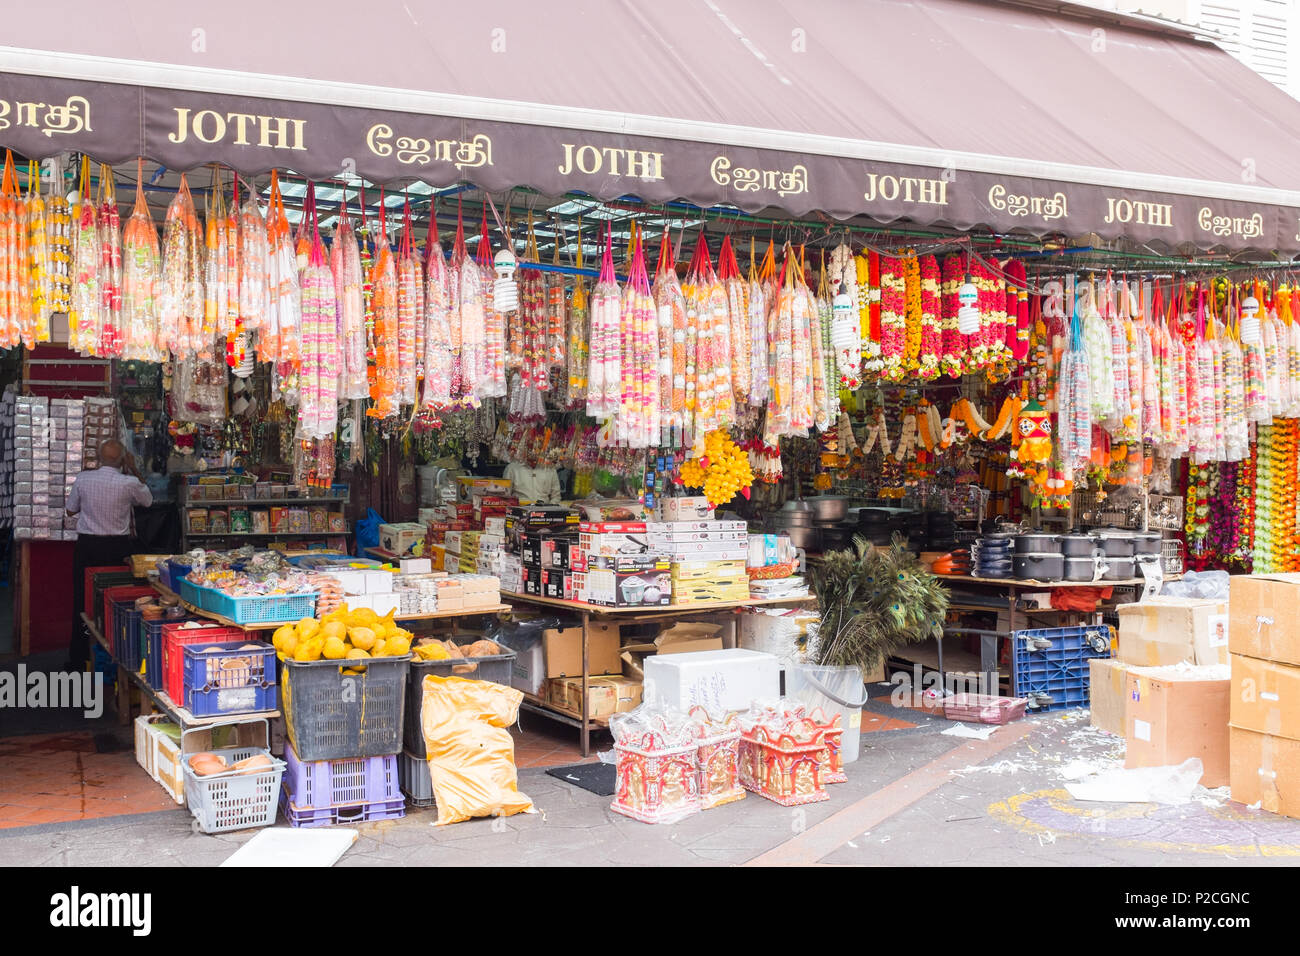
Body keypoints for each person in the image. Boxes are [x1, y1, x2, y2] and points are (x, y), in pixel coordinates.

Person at [65, 440, 153, 670]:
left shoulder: (84, 479)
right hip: (117, 548)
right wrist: (134, 468)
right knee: (117, 600)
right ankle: (117, 654)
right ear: (123, 460)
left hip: (88, 546)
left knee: (82, 600)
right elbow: (148, 501)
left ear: (99, 457)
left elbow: (70, 509)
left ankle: (79, 658)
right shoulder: (129, 482)